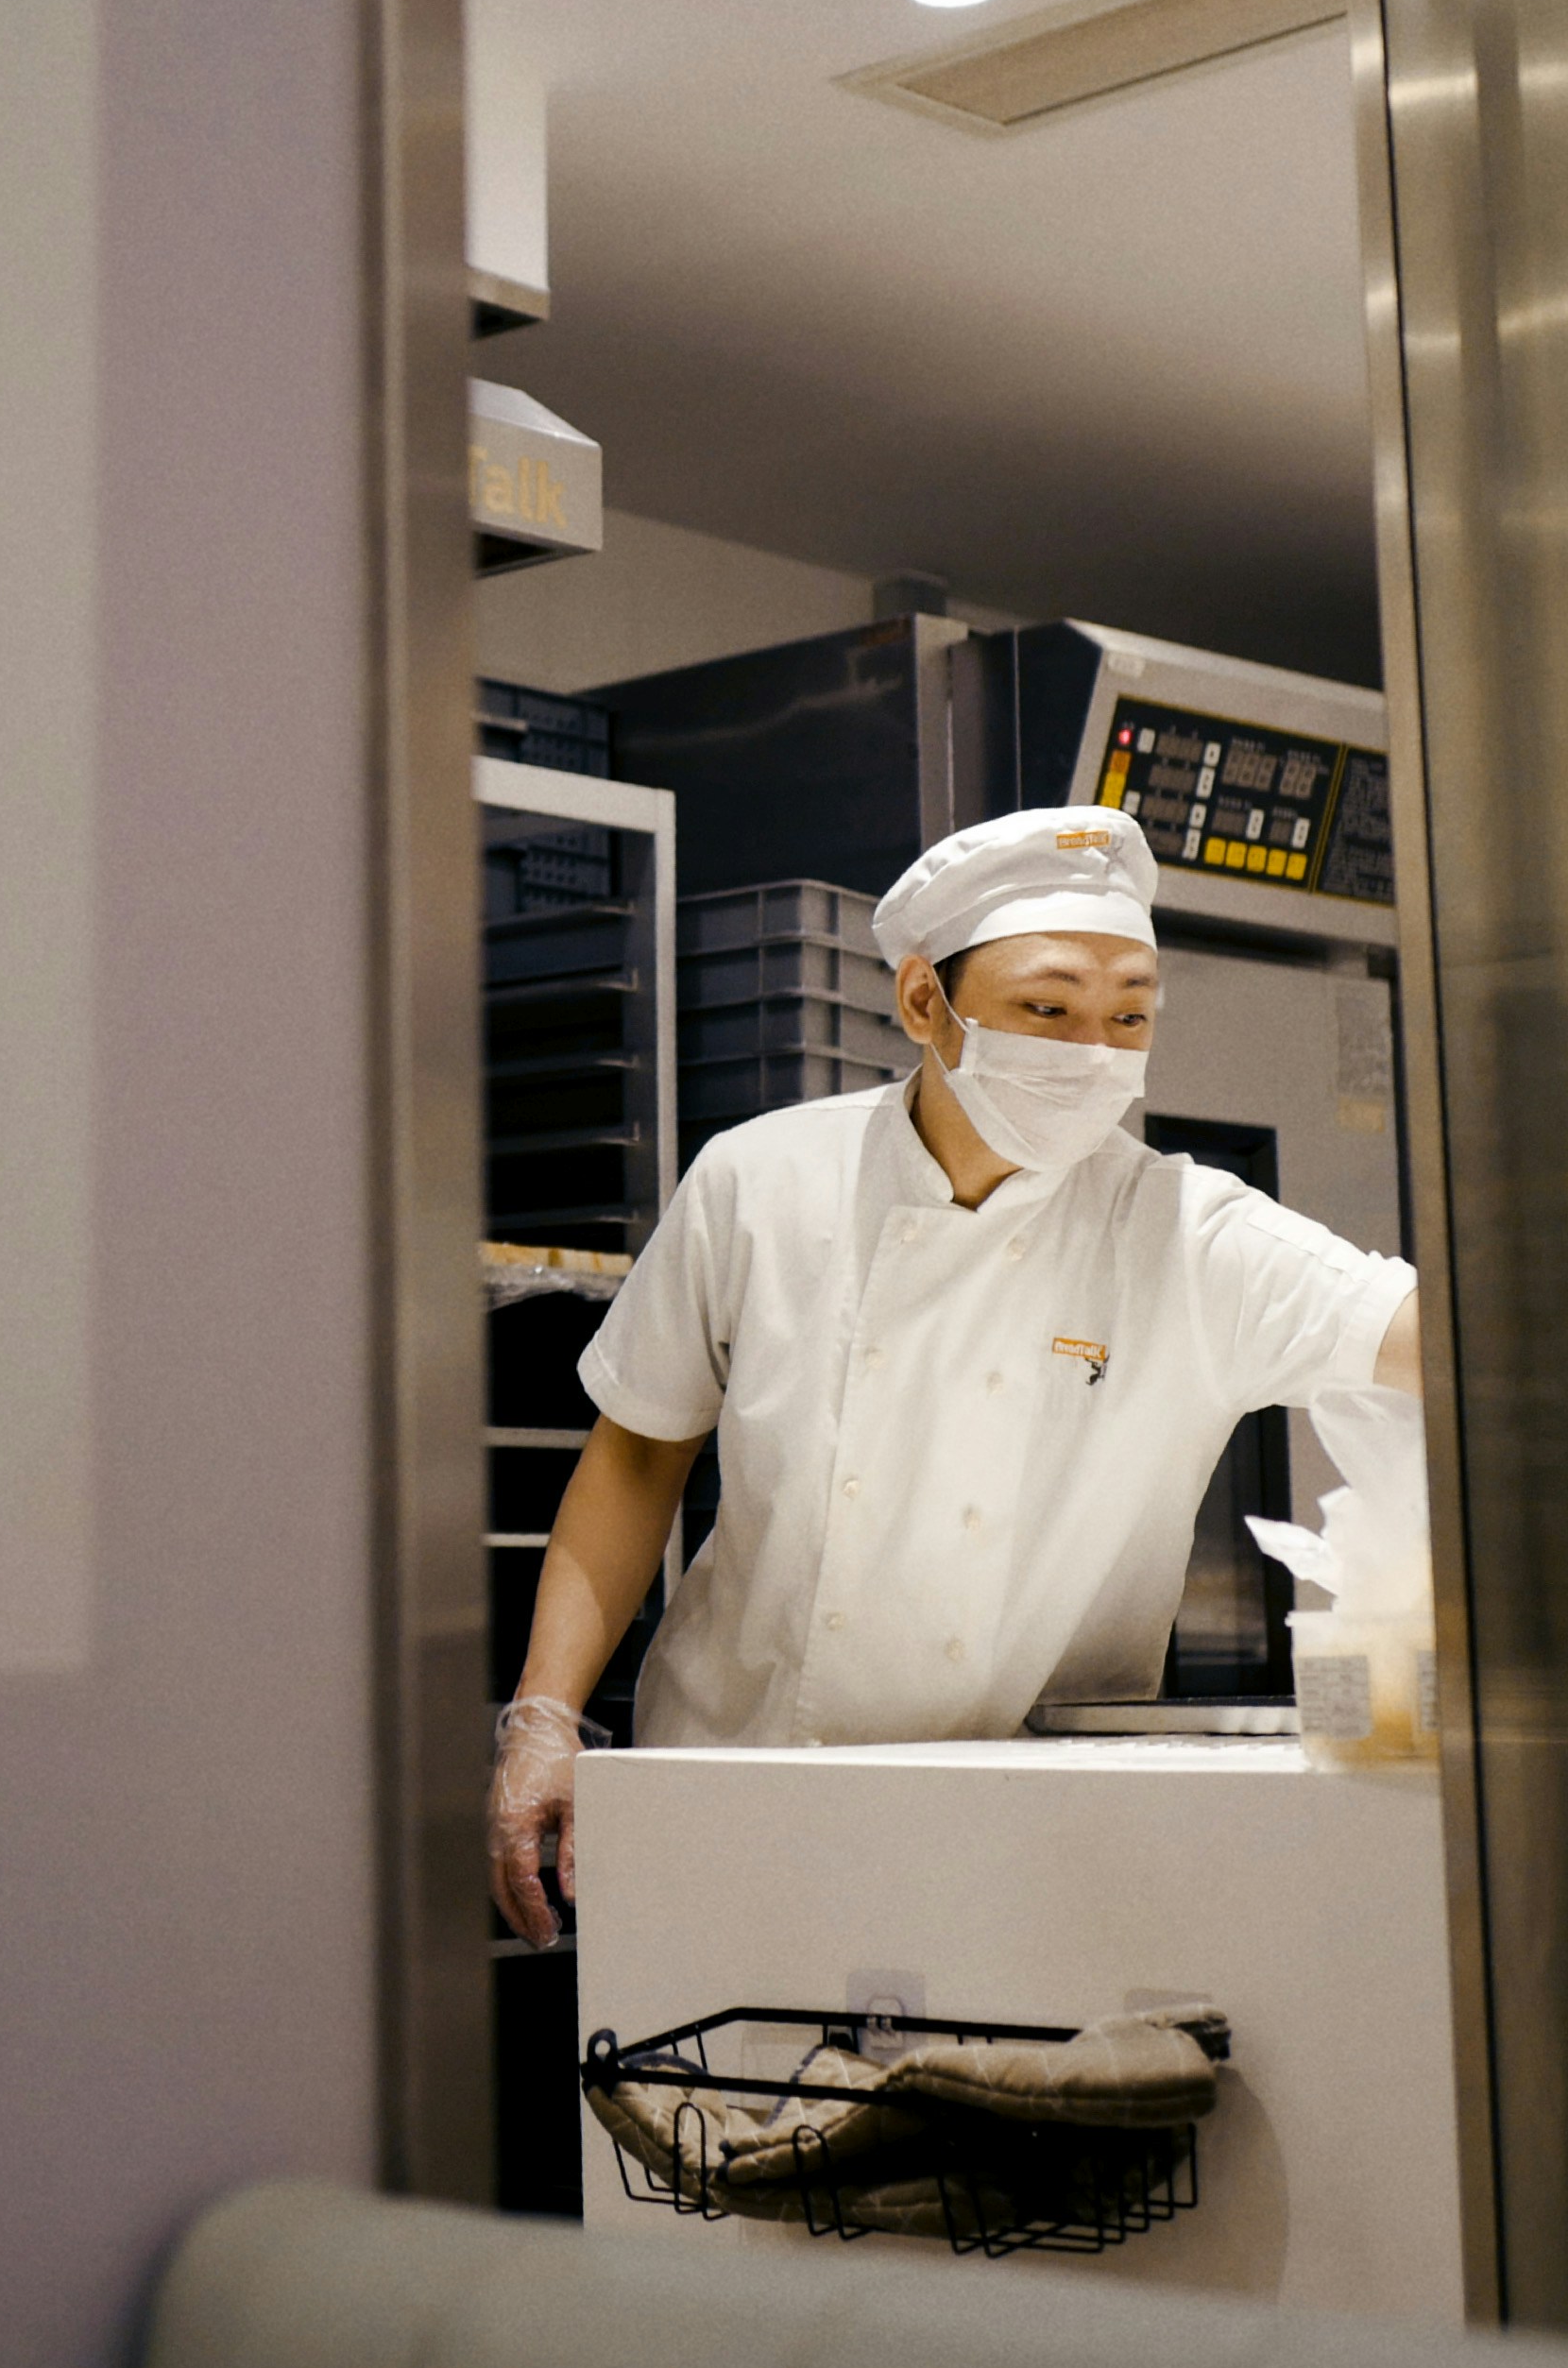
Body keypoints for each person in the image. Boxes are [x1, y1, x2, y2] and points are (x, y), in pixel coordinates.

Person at [487, 805, 1422, 1945]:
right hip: (739, 1787)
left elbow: (1435, 1337)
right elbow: (637, 1451)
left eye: (1128, 1014)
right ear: (923, 1002)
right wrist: (545, 1710)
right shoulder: (760, 1182)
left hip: (1028, 1832)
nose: (1092, 1051)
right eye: (1047, 1006)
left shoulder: (1185, 1231)